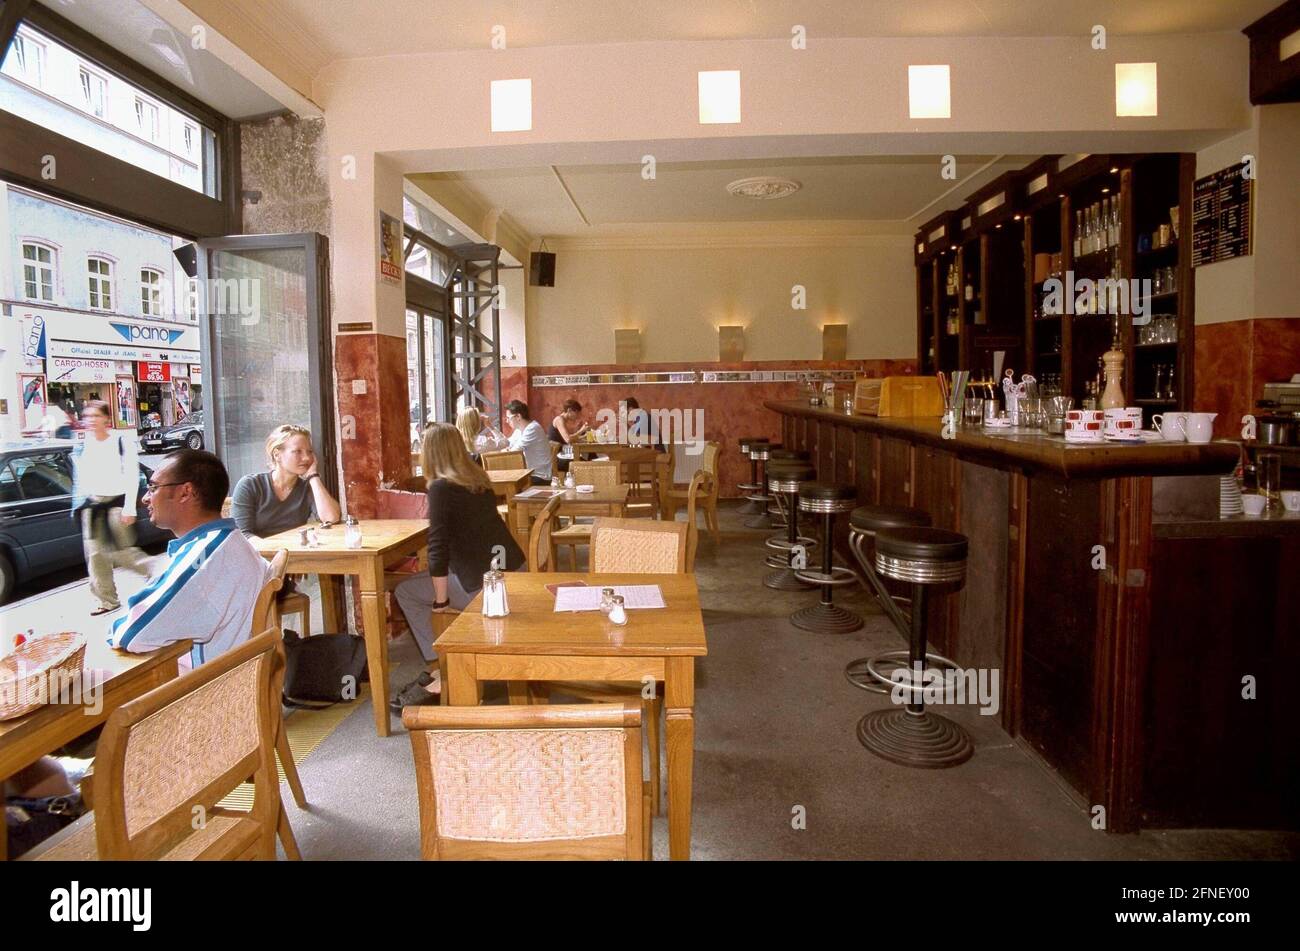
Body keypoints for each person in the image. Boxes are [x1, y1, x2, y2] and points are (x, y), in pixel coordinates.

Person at [392, 423, 525, 707]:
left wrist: (441, 602)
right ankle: (444, 666)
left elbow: (437, 548)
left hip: (485, 589)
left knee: (406, 592)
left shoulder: (440, 488)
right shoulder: (479, 479)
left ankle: (441, 668)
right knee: (430, 581)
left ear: (430, 453)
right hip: (515, 575)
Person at [107, 449, 270, 671]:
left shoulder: (204, 559)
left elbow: (131, 634)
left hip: (203, 693)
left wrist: (115, 630)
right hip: (235, 679)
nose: (146, 497)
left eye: (153, 487)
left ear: (186, 492)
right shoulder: (229, 541)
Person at [71, 400, 150, 617]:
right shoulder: (84, 445)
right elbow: (81, 478)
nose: (91, 421)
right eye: (87, 417)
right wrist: (79, 506)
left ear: (107, 418)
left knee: (122, 553)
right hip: (93, 507)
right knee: (96, 556)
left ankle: (155, 573)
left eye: (96, 416)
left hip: (116, 504)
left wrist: (129, 508)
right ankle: (107, 600)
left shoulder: (121, 442)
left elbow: (132, 476)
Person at [230, 424, 341, 538]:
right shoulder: (250, 485)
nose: (307, 458)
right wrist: (273, 551)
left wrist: (313, 476)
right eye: (298, 451)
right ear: (277, 455)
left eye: (309, 452)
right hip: (257, 554)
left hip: (292, 553)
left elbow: (331, 518)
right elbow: (240, 534)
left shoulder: (307, 488)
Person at [505, 399, 553, 484]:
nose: (507, 421)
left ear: (518, 417)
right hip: (528, 473)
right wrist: (491, 427)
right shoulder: (519, 430)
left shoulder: (533, 428)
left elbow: (514, 452)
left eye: (508, 418)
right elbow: (506, 443)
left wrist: (507, 450)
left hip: (539, 476)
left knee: (505, 484)